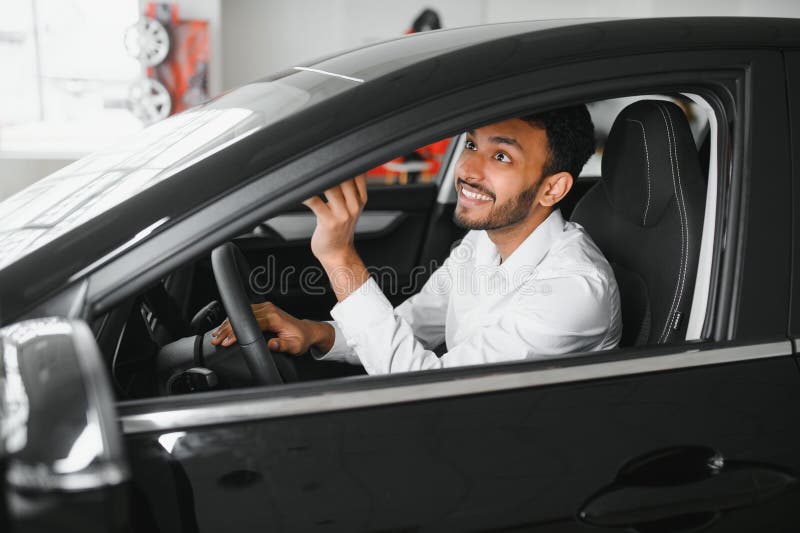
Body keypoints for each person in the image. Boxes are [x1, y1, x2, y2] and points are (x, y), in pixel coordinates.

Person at [212, 105, 622, 374]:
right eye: (471, 144)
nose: (467, 169)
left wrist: (339, 256)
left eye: (500, 157)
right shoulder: (485, 240)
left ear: (552, 189)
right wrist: (315, 332)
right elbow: (416, 324)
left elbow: (425, 386)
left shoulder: (572, 290)